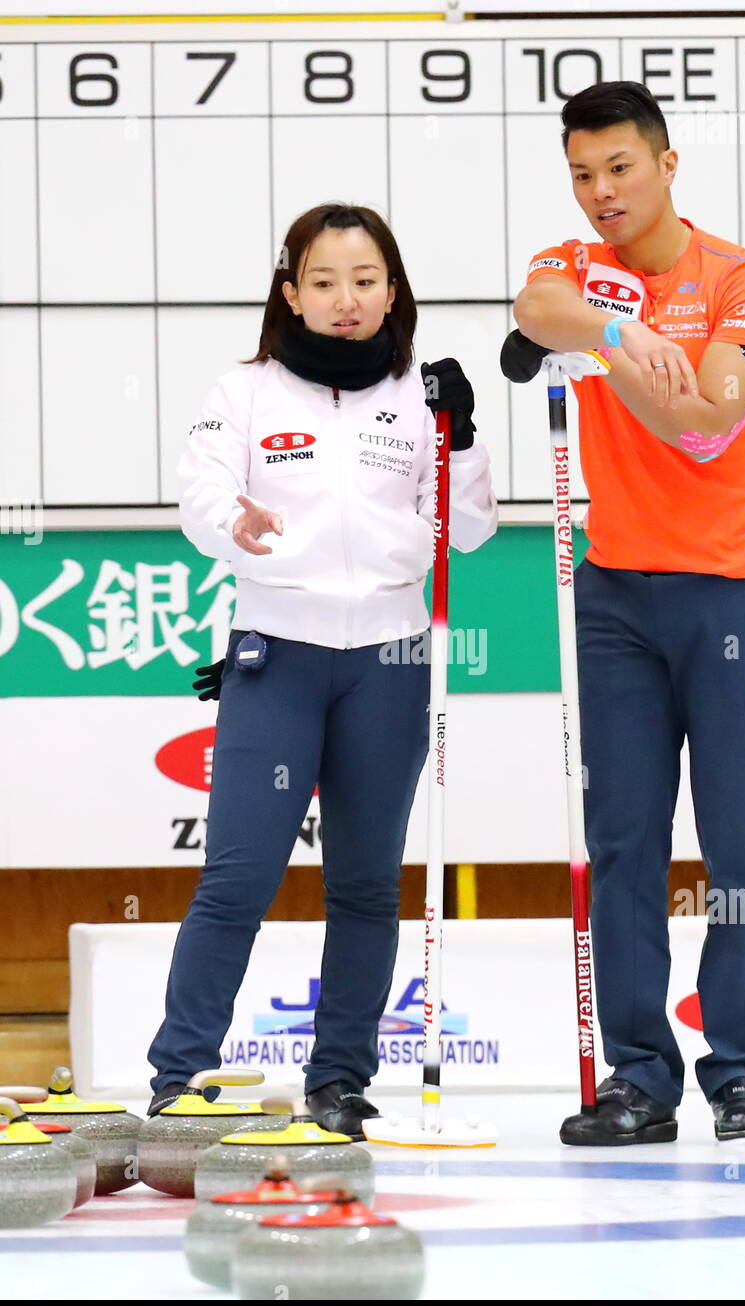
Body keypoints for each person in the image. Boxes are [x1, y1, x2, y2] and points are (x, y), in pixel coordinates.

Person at [147, 202, 497, 1136]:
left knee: (365, 886)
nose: (347, 300)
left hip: (387, 661)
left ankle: (339, 1078)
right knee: (239, 876)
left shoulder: (423, 396)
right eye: (326, 282)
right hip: (279, 657)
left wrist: (459, 440)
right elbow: (201, 493)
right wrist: (236, 524)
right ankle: (179, 1075)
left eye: (366, 281)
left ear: (393, 290)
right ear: (292, 292)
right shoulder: (245, 390)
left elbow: (466, 528)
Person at [510, 81, 745, 1145]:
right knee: (622, 842)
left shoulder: (742, 279)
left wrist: (603, 348)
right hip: (615, 596)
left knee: (738, 847)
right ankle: (638, 1077)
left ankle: (741, 1072)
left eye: (618, 168)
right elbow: (534, 309)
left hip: (728, 591)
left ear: (665, 164)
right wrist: (619, 330)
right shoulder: (575, 271)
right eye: (581, 175)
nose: (599, 193)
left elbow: (708, 430)